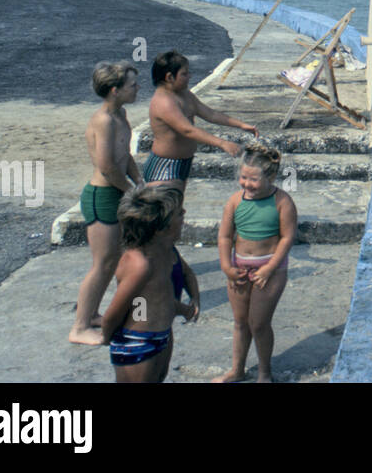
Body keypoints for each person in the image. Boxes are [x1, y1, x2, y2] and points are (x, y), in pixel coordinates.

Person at [69, 63, 143, 345]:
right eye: (132, 85)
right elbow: (108, 168)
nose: (137, 89)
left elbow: (125, 155)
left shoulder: (120, 114)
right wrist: (133, 194)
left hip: (118, 192)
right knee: (102, 264)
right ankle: (79, 327)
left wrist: (139, 180)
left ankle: (93, 314)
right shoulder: (103, 121)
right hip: (102, 197)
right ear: (115, 90)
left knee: (112, 261)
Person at [213, 146, 297, 383]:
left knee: (258, 323)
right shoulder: (234, 201)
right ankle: (237, 369)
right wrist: (226, 266)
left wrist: (270, 268)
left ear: (270, 177)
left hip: (270, 269)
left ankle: (264, 372)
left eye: (253, 179)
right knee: (240, 322)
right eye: (243, 177)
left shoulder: (282, 201)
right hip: (239, 267)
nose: (246, 184)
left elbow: (287, 238)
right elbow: (225, 237)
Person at [101, 185, 186, 382]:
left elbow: (147, 300)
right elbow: (114, 312)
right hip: (136, 343)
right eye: (178, 214)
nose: (184, 215)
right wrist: (106, 336)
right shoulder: (140, 264)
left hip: (161, 335)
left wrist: (183, 308)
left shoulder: (164, 251)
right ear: (160, 227)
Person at [145, 50, 253, 196]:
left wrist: (240, 124)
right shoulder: (164, 101)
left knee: (175, 206)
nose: (189, 77)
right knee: (162, 210)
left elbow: (210, 114)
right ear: (169, 77)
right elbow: (187, 130)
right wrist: (223, 143)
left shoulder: (185, 95)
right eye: (184, 74)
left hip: (184, 161)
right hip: (166, 164)